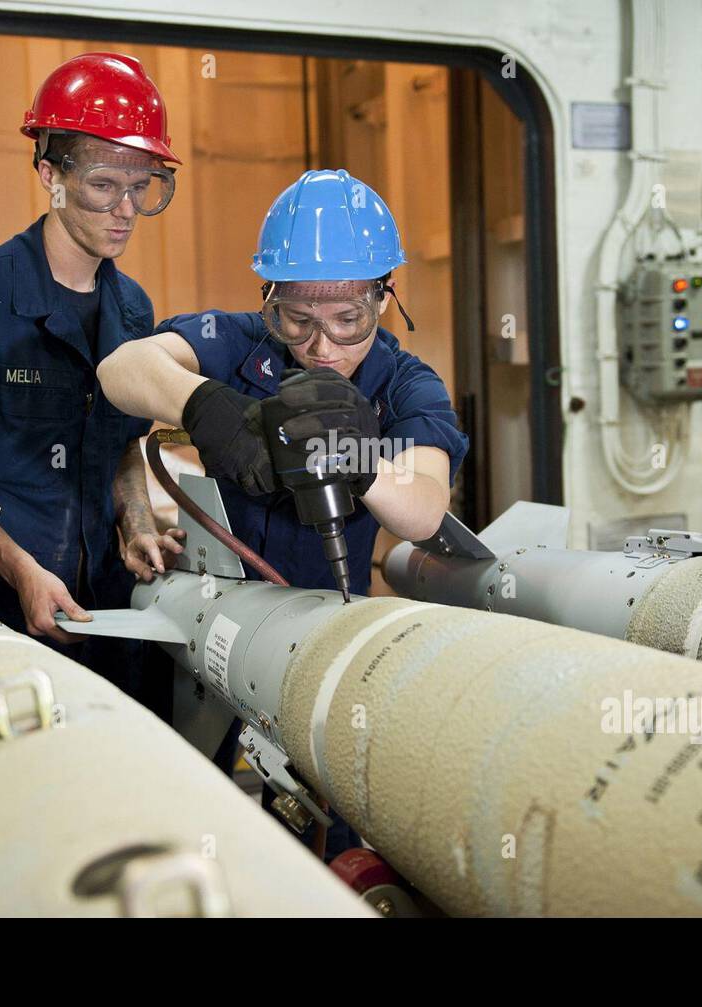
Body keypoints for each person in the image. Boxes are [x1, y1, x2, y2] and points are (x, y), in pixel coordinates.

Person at [97, 168, 469, 854]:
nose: (321, 344)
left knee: (326, 818)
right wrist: (208, 406)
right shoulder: (236, 343)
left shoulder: (406, 382)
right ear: (267, 301)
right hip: (222, 615)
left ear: (384, 300)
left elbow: (421, 507)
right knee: (187, 803)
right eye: (296, 319)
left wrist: (352, 456)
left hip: (327, 630)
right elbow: (120, 369)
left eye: (346, 321)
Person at [0, 52, 184, 716]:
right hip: (0, 608)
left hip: (107, 611)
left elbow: (126, 444)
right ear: (50, 175)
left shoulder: (133, 307)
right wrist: (21, 571)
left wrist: (136, 524)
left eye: (145, 187)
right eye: (105, 185)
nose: (126, 210)